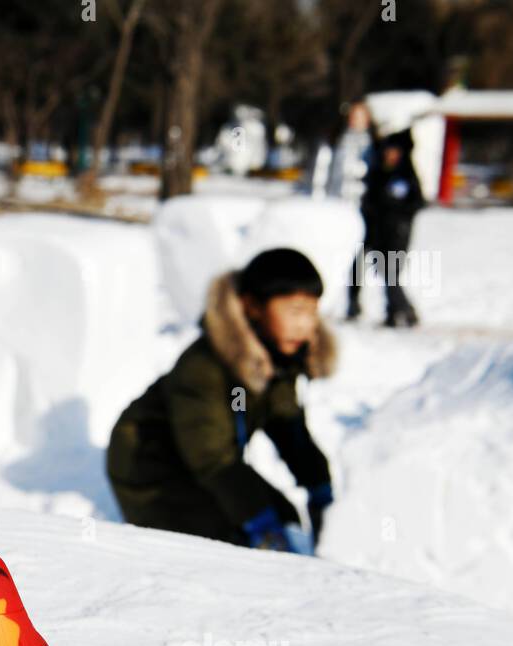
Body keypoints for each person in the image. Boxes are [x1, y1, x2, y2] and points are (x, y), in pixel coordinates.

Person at [106, 248, 336, 554]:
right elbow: (211, 458)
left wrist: (320, 489)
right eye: (295, 311)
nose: (306, 325)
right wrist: (260, 525)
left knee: (286, 518)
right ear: (252, 307)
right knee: (230, 546)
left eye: (312, 312)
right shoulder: (203, 368)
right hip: (151, 468)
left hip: (209, 462)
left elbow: (289, 431)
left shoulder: (276, 360)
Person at [348, 128, 424, 327]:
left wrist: (395, 209)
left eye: (394, 151)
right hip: (376, 233)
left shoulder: (406, 175)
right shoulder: (378, 174)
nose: (390, 155)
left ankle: (405, 311)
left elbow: (416, 203)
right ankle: (392, 312)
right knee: (378, 272)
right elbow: (369, 203)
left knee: (390, 274)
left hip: (397, 234)